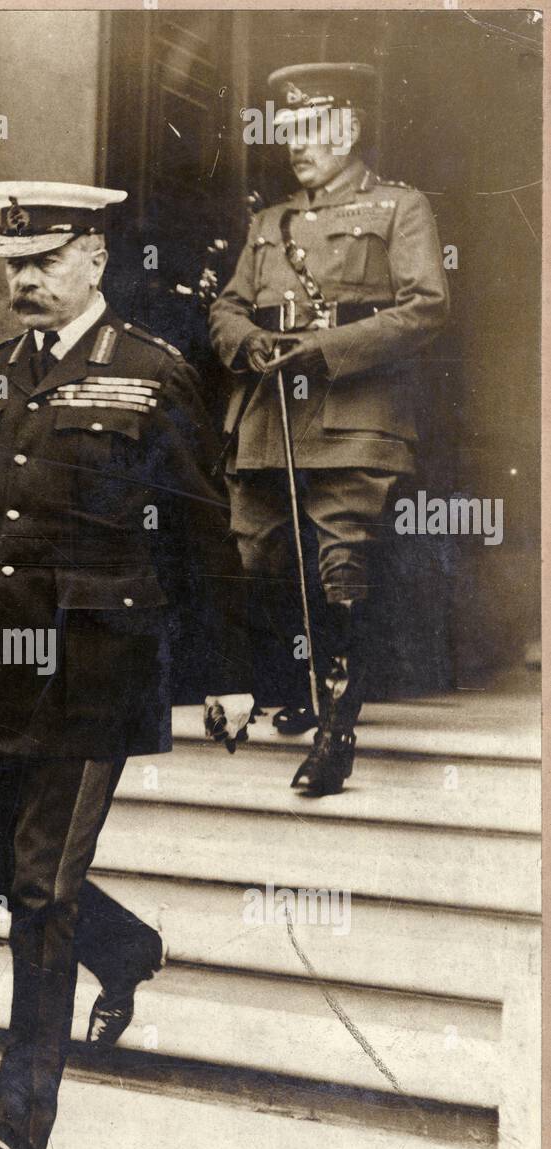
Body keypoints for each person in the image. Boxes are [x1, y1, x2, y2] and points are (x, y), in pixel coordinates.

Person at [0, 181, 253, 1149]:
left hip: (96, 668)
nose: (25, 281)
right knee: (1, 873)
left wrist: (226, 672)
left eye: (42, 262)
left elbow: (202, 539)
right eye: (12, 266)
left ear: (94, 259)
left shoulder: (152, 376)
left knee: (41, 887)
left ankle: (14, 1117)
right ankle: (125, 950)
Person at [209, 63, 449, 794]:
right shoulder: (268, 222)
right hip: (270, 414)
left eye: (309, 132)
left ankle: (337, 728)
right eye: (286, 134)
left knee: (341, 565)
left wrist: (328, 349)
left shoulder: (399, 207)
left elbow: (424, 306)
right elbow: (226, 305)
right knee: (259, 555)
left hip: (353, 412)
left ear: (346, 130)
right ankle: (295, 687)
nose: (294, 148)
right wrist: (244, 339)